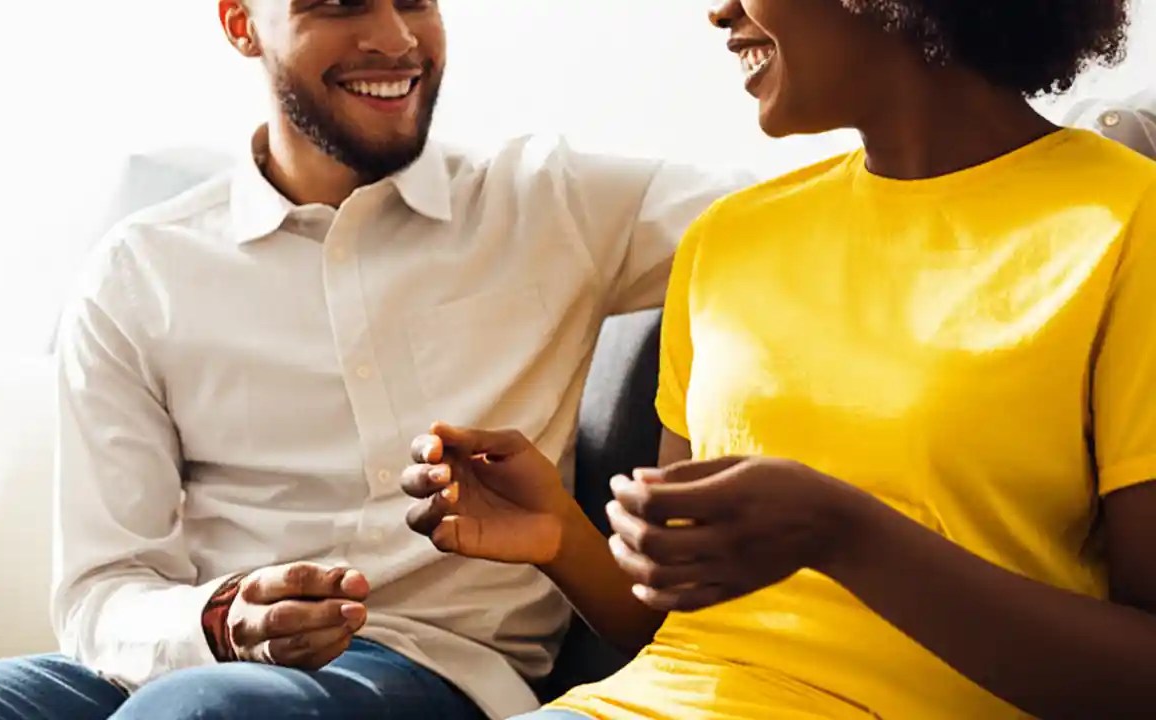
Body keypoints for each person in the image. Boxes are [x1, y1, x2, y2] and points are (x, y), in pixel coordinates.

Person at [0, 1, 746, 719]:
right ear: (240, 23)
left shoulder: (555, 204)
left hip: (428, 670)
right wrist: (220, 620)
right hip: (173, 669)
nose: (396, 39)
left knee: (204, 713)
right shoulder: (142, 271)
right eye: (339, 5)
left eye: (415, 1)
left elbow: (794, 216)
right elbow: (101, 590)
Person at [402, 1, 1156, 718]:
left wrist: (845, 535)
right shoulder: (730, 237)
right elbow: (687, 631)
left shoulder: (1128, 224)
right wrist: (561, 536)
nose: (719, 11)